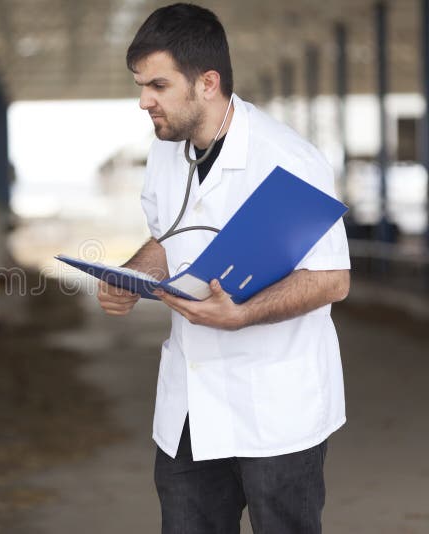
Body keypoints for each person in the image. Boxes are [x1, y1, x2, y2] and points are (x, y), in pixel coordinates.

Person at [96, 4, 351, 534]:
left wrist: (243, 313)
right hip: (190, 409)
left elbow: (331, 278)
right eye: (142, 85)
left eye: (159, 86)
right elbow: (168, 237)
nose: (145, 101)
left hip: (274, 407)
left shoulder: (288, 159)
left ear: (207, 82)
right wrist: (128, 275)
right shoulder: (165, 151)